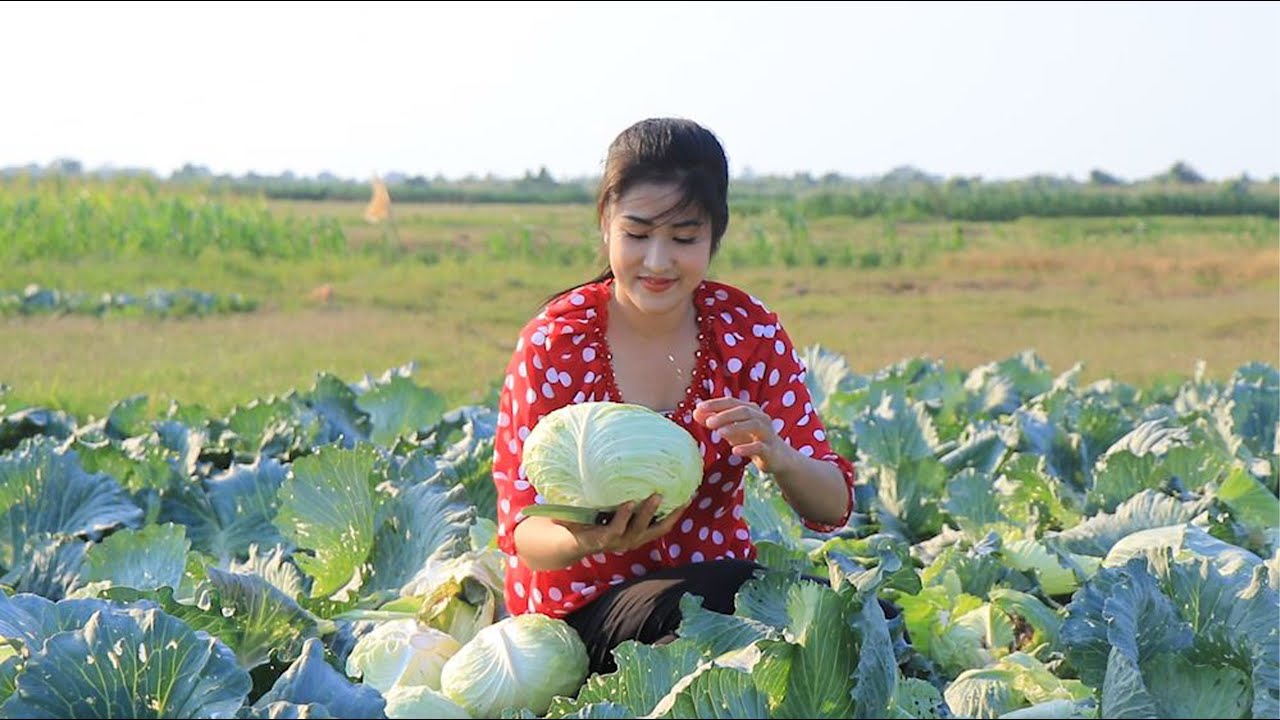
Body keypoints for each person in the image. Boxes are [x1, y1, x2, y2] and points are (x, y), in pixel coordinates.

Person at [491, 117, 857, 675]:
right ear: (606, 225)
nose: (658, 262)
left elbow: (831, 507)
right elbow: (523, 534)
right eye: (637, 235)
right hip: (583, 608)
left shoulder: (747, 331)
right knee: (716, 609)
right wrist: (591, 539)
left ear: (715, 235)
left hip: (718, 590)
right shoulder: (557, 341)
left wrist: (780, 456)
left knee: (843, 617)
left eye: (684, 239)